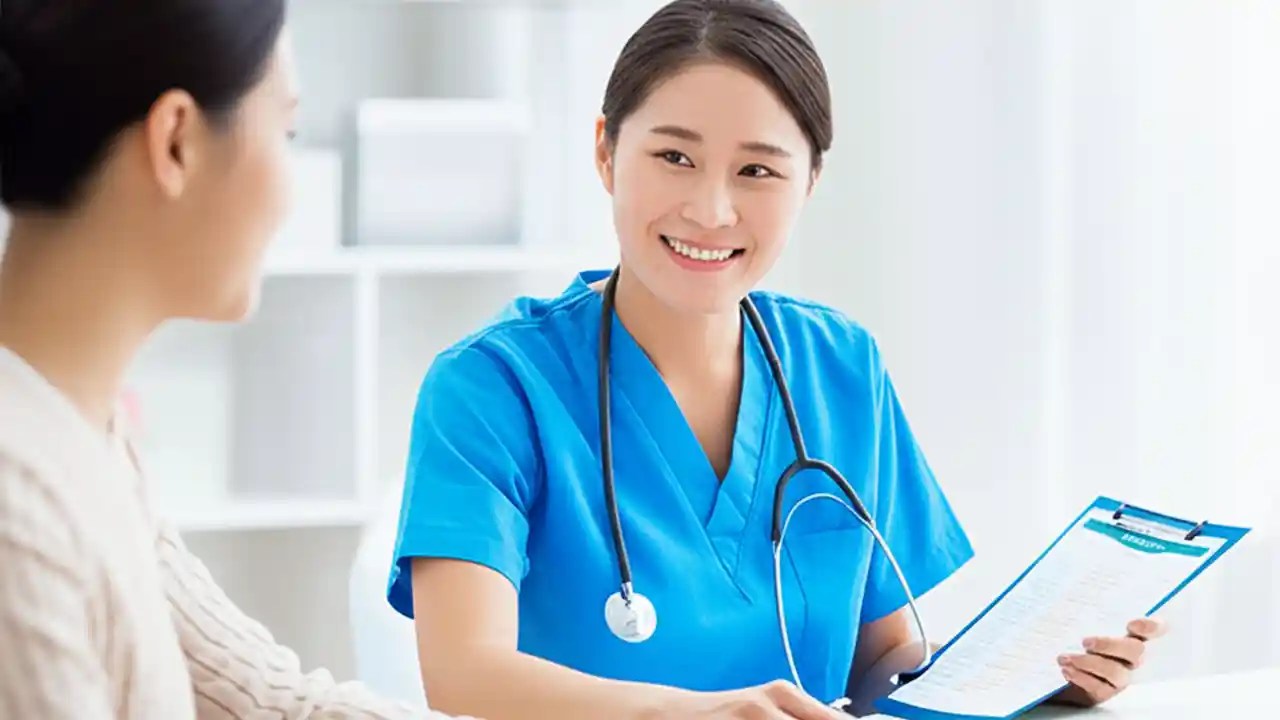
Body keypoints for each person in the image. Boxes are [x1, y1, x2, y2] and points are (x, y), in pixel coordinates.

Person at [387, 1, 1167, 718]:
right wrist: (696, 716)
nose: (711, 210)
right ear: (605, 151)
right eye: (674, 157)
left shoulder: (839, 367)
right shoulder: (491, 388)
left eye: (757, 170)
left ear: (810, 182)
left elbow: (883, 660)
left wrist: (1029, 683)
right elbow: (463, 671)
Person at [0, 2, 474, 718]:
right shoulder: (17, 505)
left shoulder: (85, 437)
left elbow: (272, 702)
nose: (291, 194)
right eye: (286, 132)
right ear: (178, 142)